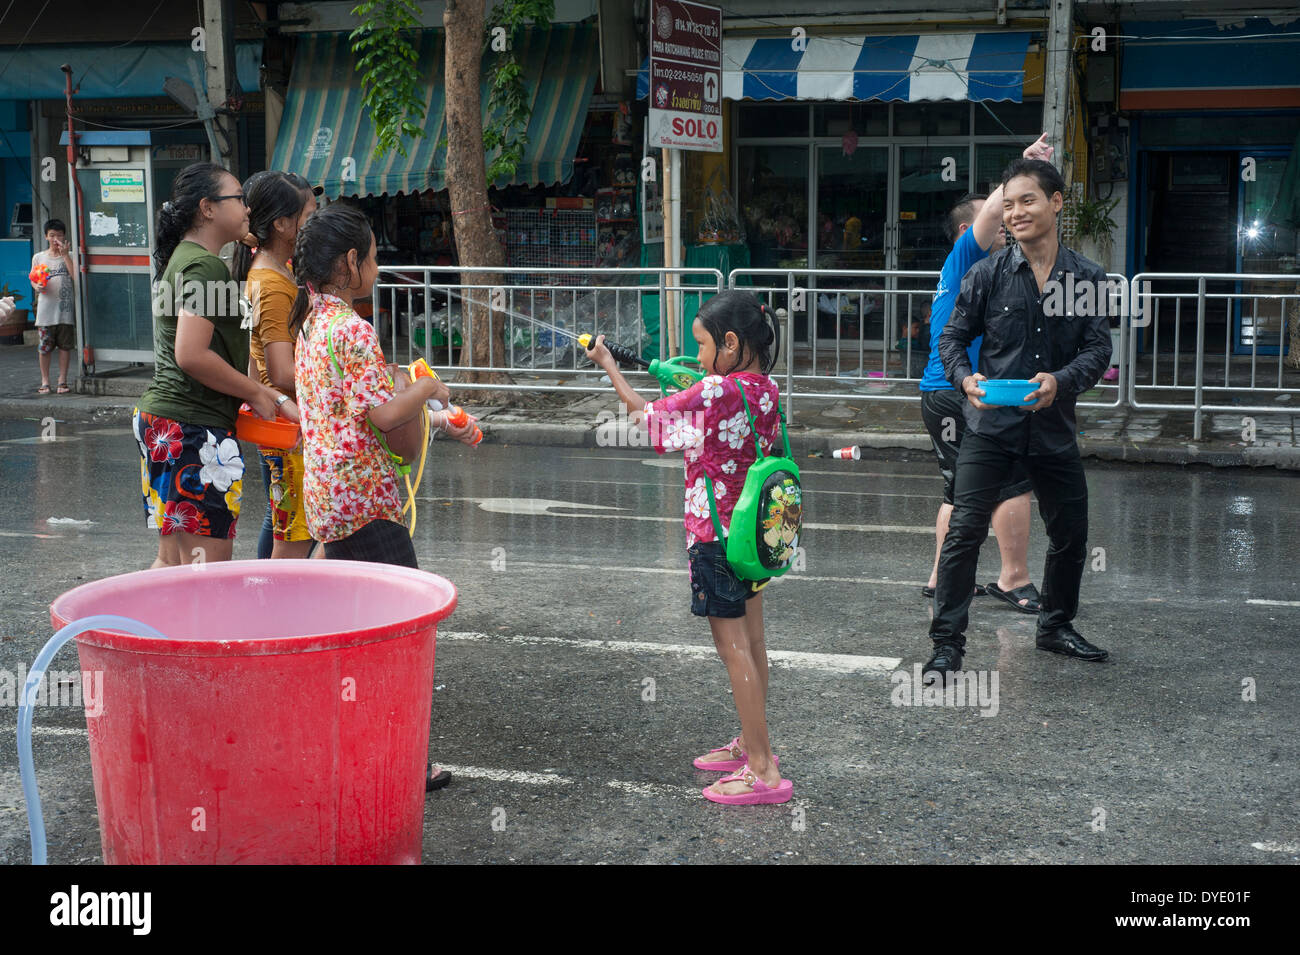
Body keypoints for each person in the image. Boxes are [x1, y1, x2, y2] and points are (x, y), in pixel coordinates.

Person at [585, 290, 792, 806]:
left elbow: (645, 419)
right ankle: (751, 743)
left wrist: (610, 365)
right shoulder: (763, 388)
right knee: (756, 643)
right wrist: (696, 388)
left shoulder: (716, 387)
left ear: (729, 342)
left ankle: (763, 770)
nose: (697, 358)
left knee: (733, 649)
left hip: (715, 536)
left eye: (701, 346)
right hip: (753, 534)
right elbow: (707, 420)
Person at [924, 157, 1112, 677]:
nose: (1015, 212)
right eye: (1008, 204)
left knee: (1071, 533)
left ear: (1055, 202)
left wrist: (1061, 381)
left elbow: (1098, 350)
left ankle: (1055, 628)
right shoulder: (986, 274)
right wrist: (965, 379)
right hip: (991, 428)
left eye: (1027, 200)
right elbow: (951, 338)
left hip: (1053, 428)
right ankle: (947, 644)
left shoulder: (1088, 278)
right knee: (964, 531)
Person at [290, 202, 478, 567]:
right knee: (402, 611)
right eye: (373, 260)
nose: (377, 271)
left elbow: (348, 410)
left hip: (326, 496)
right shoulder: (353, 329)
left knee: (356, 608)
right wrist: (427, 389)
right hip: (364, 500)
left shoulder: (311, 323)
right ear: (349, 261)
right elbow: (384, 417)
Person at [134, 163, 297, 568]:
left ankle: (131, 632)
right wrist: (258, 392)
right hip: (192, 429)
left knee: (174, 562)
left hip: (172, 423)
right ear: (207, 208)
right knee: (207, 574)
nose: (246, 208)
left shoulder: (186, 258)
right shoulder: (206, 266)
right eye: (238, 198)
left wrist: (263, 393)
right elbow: (191, 354)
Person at [918, 133, 1054, 615]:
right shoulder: (966, 257)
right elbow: (995, 215)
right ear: (967, 232)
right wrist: (1025, 164)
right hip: (961, 392)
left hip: (951, 392)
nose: (1006, 224)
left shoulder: (991, 267)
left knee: (961, 487)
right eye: (996, 219)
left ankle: (942, 577)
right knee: (1012, 481)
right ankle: (1013, 579)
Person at [232, 171, 319, 560]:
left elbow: (256, 362)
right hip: (289, 422)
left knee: (282, 519)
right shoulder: (271, 284)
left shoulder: (274, 272)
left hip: (282, 421)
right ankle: (271, 607)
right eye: (309, 215)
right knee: (293, 532)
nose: (315, 224)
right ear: (282, 223)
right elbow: (281, 371)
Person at [31, 219, 76, 395]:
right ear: (45, 236)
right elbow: (34, 280)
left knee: (65, 347)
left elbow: (75, 277)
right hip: (45, 312)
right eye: (52, 235)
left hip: (65, 311)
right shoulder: (39, 257)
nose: (55, 238)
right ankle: (45, 381)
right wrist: (37, 287)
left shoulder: (70, 255)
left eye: (59, 235)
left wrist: (65, 255)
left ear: (64, 236)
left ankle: (62, 381)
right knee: (44, 348)